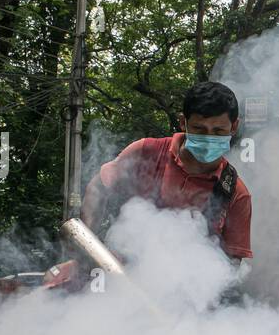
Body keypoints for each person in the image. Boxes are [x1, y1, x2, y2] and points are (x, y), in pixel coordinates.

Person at [45, 81, 253, 287]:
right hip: (118, 280)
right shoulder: (146, 152)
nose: (208, 138)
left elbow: (231, 263)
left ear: (234, 126)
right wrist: (85, 255)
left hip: (187, 298)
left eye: (218, 131)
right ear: (183, 122)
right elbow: (98, 189)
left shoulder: (234, 193)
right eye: (199, 129)